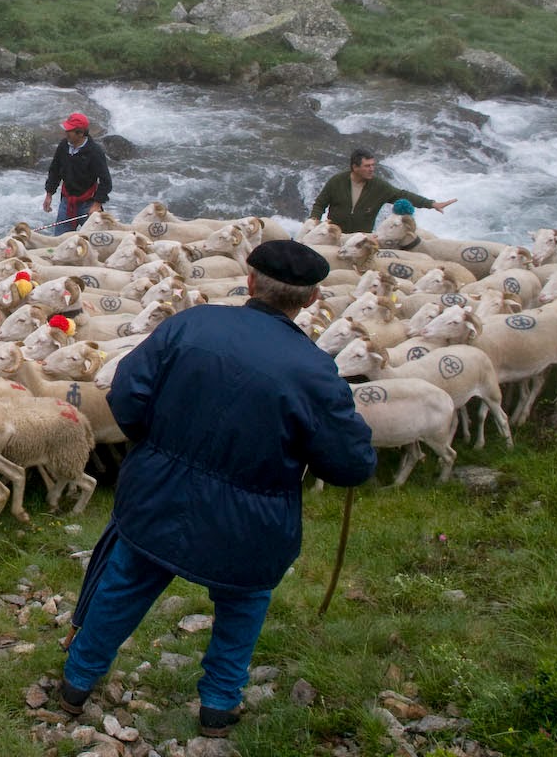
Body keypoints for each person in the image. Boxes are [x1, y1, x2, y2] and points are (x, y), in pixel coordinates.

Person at [57, 240, 376, 737]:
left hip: (158, 496)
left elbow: (127, 393)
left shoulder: (190, 325)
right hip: (251, 521)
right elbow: (347, 464)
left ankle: (76, 683)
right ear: (312, 300)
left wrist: (158, 446)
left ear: (249, 282)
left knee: (125, 581)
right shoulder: (316, 371)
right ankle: (218, 707)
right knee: (243, 602)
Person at [309, 148, 456, 235]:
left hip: (361, 239)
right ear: (355, 167)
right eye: (367, 166)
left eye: (373, 165)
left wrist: (432, 204)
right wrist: (314, 222)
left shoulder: (378, 186)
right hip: (334, 234)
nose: (372, 169)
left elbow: (402, 195)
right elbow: (320, 204)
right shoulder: (337, 181)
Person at [42, 112, 112, 231]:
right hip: (67, 201)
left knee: (95, 240)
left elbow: (106, 181)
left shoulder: (95, 152)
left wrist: (96, 205)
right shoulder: (63, 146)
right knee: (61, 241)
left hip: (88, 203)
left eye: (69, 130)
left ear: (80, 133)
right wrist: (49, 194)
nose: (66, 133)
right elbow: (55, 170)